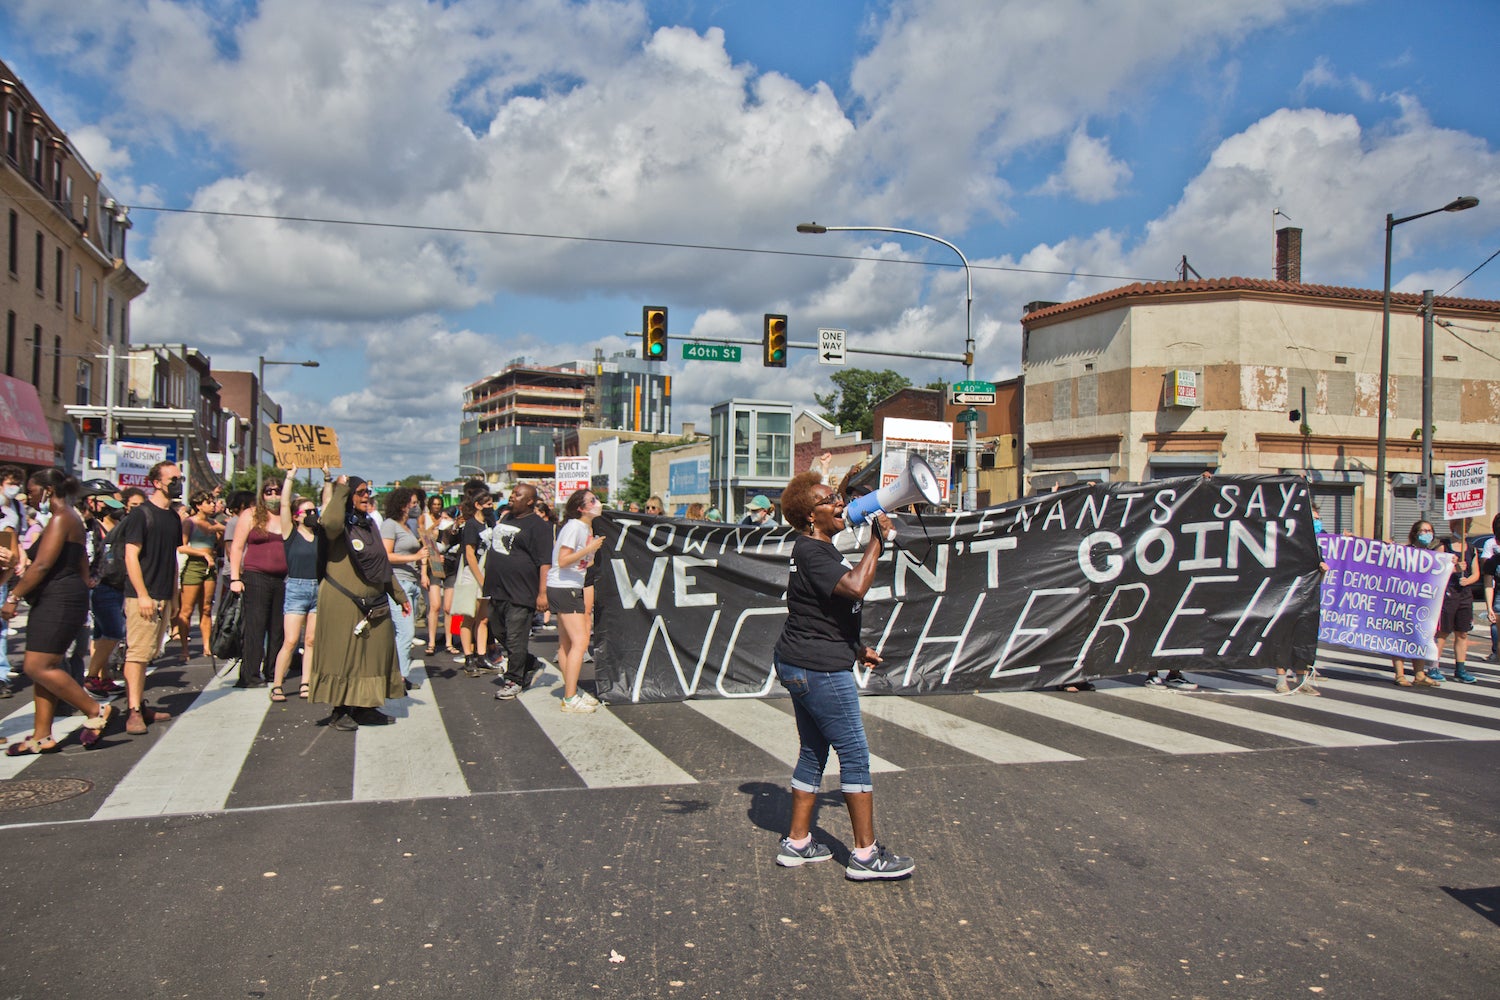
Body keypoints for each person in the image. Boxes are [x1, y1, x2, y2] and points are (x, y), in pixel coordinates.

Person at [771, 470, 913, 880]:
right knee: (854, 755)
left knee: (813, 753)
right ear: (810, 516)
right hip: (819, 669)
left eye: (836, 495)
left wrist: (856, 648)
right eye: (828, 499)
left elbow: (822, 612)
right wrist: (877, 541)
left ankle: (798, 843)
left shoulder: (816, 549)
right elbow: (853, 588)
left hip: (803, 661)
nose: (839, 503)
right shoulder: (814, 551)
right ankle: (866, 857)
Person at [1, 469, 114, 752]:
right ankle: (42, 735)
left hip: (58, 600)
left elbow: (42, 566)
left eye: (33, 489)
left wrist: (14, 596)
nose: (29, 495)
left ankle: (94, 710)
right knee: (43, 668)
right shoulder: (67, 519)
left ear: (48, 490)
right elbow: (81, 565)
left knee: (36, 666)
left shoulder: (62, 518)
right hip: (59, 598)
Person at [308, 476, 408, 730]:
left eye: (368, 491)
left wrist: (398, 594)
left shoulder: (368, 525)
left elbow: (381, 563)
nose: (366, 496)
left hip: (374, 601)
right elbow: (329, 522)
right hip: (342, 600)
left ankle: (365, 706)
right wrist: (341, 489)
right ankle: (341, 709)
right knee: (344, 656)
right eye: (360, 492)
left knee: (374, 654)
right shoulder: (339, 527)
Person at [119, 461, 181, 735]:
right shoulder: (142, 514)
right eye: (173, 479)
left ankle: (140, 705)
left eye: (180, 478)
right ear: (156, 482)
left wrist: (175, 596)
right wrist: (142, 594)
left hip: (164, 594)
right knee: (138, 653)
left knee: (149, 653)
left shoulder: (173, 517)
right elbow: (130, 555)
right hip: (143, 595)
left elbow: (173, 558)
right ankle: (133, 711)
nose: (178, 483)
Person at [489, 483, 552, 700]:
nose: (512, 497)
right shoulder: (506, 518)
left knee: (516, 638)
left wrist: (543, 593)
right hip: (498, 589)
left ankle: (513, 679)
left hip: (522, 590)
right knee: (498, 630)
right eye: (513, 493)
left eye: (517, 495)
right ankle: (530, 663)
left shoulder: (539, 526)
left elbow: (545, 562)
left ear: (530, 501)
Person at [228, 479, 289, 688]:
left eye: (277, 491)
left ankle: (273, 670)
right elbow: (236, 547)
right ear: (262, 495)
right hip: (255, 577)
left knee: (278, 628)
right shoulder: (251, 515)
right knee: (255, 626)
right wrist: (235, 578)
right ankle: (250, 674)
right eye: (268, 492)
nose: (273, 496)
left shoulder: (288, 516)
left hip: (282, 579)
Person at [550, 489, 605, 713]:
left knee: (566, 643)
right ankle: (570, 698)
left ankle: (570, 690)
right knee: (581, 642)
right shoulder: (574, 527)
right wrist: (589, 549)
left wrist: (590, 553)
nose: (598, 503)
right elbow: (563, 560)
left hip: (567, 586)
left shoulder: (584, 528)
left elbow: (582, 564)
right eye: (592, 501)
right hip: (565, 588)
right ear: (581, 508)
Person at [270, 472, 320, 701]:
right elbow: (283, 503)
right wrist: (289, 479)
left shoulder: (319, 534)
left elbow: (328, 502)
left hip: (317, 588)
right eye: (307, 512)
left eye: (314, 511)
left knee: (310, 640)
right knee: (290, 640)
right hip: (296, 588)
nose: (312, 515)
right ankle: (277, 684)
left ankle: (305, 682)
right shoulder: (290, 533)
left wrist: (327, 477)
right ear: (296, 516)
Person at [381, 487, 428, 690]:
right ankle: (399, 678)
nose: (416, 506)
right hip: (398, 584)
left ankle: (398, 674)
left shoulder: (407, 526)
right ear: (402, 505)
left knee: (402, 633)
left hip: (411, 582)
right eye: (413, 503)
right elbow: (386, 555)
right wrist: (415, 557)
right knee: (406, 633)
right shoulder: (390, 526)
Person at [84, 485, 128, 697]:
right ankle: (92, 678)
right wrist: (89, 579)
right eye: (112, 504)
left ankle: (104, 678)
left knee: (101, 635)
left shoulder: (118, 526)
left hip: (117, 585)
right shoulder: (94, 528)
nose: (117, 509)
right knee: (113, 632)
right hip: (103, 586)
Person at [1393, 520, 1444, 688]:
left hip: (1423, 604)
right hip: (1403, 600)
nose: (1427, 534)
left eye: (1429, 530)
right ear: (1415, 533)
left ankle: (1419, 674)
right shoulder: (1405, 552)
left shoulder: (1433, 555)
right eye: (1423, 531)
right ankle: (1400, 674)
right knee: (1400, 636)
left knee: (1420, 636)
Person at [173, 489, 222, 661]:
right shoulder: (190, 522)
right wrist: (203, 554)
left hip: (210, 566)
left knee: (207, 607)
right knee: (186, 608)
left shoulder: (213, 523)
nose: (213, 505)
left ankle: (207, 646)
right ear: (198, 505)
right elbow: (181, 546)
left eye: (213, 502)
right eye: (208, 502)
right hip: (194, 565)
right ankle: (184, 649)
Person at [1435, 518, 1481, 684]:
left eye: (1468, 525)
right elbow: (1436, 569)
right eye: (1463, 525)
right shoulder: (1444, 546)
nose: (1466, 528)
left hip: (1465, 594)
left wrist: (1468, 580)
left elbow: (1476, 573)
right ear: (1453, 526)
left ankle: (1460, 668)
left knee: (1462, 632)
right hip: (1449, 593)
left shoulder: (1472, 549)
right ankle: (1434, 666)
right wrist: (1454, 568)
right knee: (1443, 632)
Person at [0, 464, 29, 699]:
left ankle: (1, 674)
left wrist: (20, 556)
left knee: (2, 624)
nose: (14, 487)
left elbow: (14, 538)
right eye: (10, 482)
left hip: (6, 571)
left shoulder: (16, 507)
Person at [418, 495, 450, 656]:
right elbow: (423, 536)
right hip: (432, 559)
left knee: (450, 608)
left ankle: (451, 640)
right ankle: (431, 642)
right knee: (435, 605)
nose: (437, 507)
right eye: (434, 504)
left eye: (439, 504)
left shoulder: (446, 519)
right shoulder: (424, 518)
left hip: (449, 563)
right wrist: (437, 525)